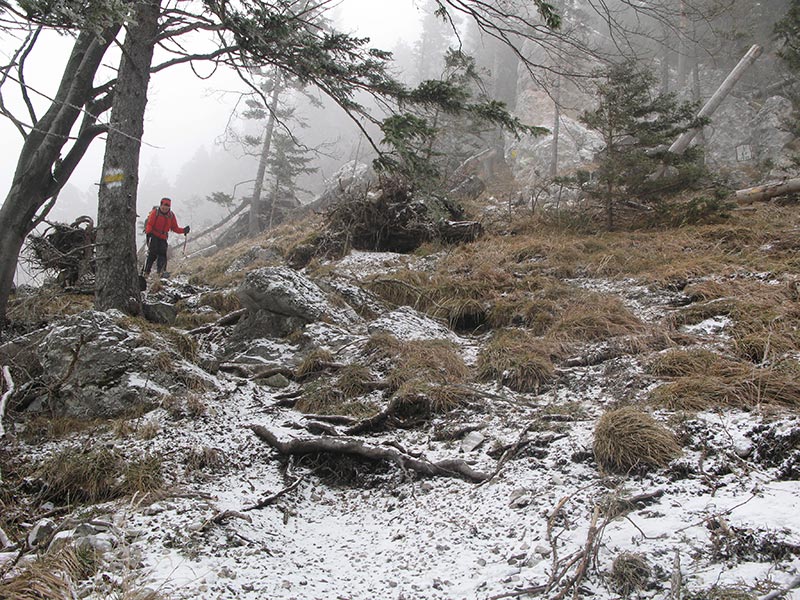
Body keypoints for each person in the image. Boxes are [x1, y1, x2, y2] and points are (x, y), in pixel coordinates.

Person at [144, 197, 189, 276]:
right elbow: (149, 224)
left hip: (163, 237)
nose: (165, 208)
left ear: (169, 207)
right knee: (152, 254)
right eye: (164, 205)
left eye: (167, 206)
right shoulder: (155, 212)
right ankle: (146, 272)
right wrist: (149, 233)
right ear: (160, 205)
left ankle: (161, 273)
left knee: (162, 255)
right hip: (153, 235)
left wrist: (183, 230)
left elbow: (175, 228)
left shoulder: (171, 215)